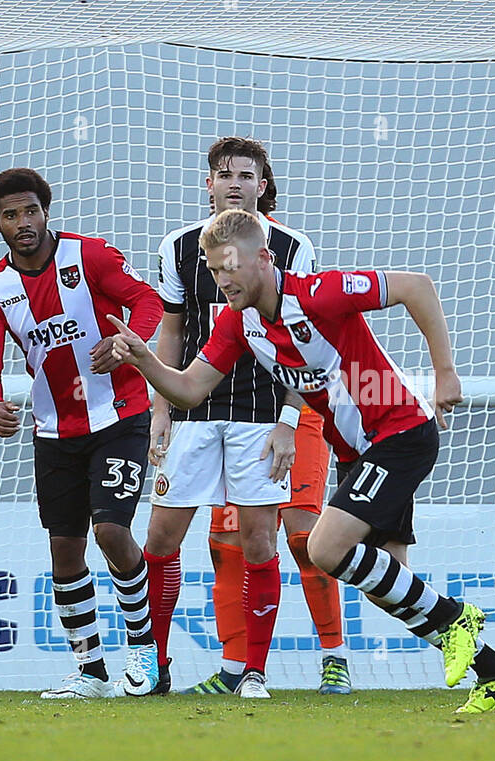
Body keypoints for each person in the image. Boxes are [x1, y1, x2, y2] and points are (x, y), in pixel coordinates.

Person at [92, 208, 495, 713]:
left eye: (230, 265)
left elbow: (417, 286)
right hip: (359, 451)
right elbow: (190, 390)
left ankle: (457, 620)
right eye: (213, 269)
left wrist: (444, 373)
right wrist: (144, 359)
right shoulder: (237, 322)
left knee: (323, 547)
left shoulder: (319, 292)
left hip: (400, 433)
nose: (222, 279)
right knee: (389, 583)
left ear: (264, 258)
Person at [147, 140, 347, 698]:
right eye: (222, 175)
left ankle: (287, 664)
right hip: (197, 409)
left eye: (245, 175)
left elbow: (308, 341)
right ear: (207, 184)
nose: (233, 183)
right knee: (175, 538)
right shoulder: (179, 247)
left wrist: (290, 418)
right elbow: (171, 330)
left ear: (264, 184)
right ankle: (162, 666)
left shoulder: (292, 247)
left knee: (280, 538)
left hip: (269, 413)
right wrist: (161, 410)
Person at [0, 168, 162, 698]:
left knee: (112, 533)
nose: (23, 222)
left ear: (45, 211)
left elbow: (147, 302)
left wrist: (129, 344)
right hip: (54, 430)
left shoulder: (91, 255)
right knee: (64, 552)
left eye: (30, 210)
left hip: (119, 416)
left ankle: (145, 652)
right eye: (11, 215)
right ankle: (91, 671)